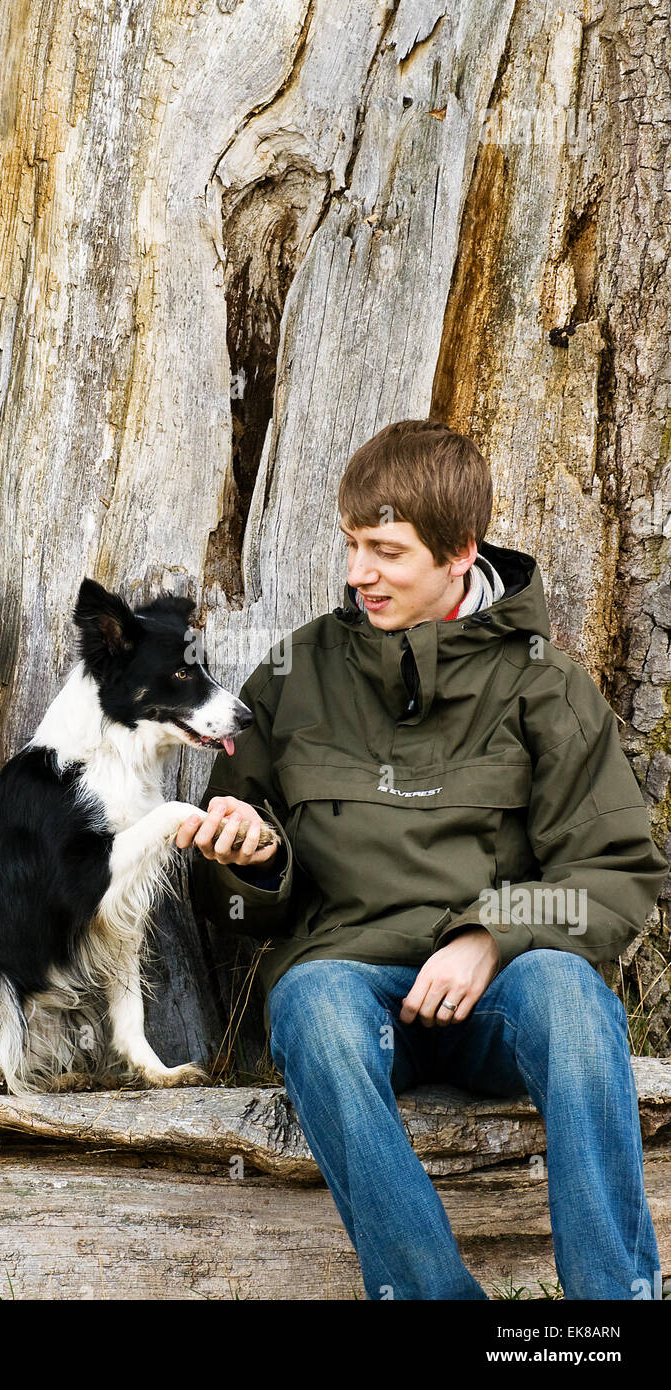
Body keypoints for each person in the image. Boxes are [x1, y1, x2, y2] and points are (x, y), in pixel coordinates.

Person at [178, 418, 668, 1301]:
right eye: (352, 546)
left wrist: (488, 935)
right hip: (351, 985)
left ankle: (613, 1308)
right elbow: (241, 912)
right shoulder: (293, 675)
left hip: (503, 998)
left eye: (387, 551)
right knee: (312, 1002)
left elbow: (616, 874)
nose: (359, 573)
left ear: (457, 554)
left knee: (569, 994)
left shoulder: (542, 684)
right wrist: (250, 862)